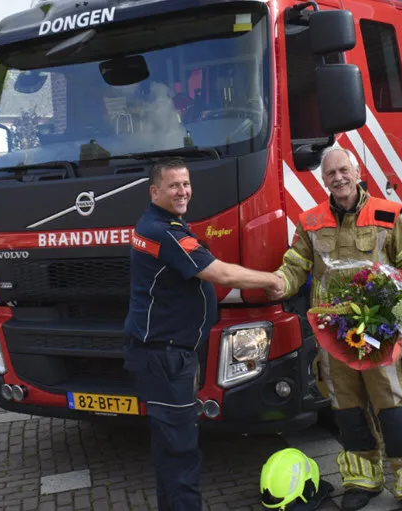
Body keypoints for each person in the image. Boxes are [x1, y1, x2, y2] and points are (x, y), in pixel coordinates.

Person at [267, 147, 402, 511]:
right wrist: (280, 281)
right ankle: (362, 479)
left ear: (357, 171)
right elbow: (296, 264)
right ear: (323, 179)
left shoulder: (388, 213)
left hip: (378, 331)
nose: (338, 178)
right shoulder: (310, 221)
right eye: (331, 174)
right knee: (346, 408)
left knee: (391, 406)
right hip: (333, 332)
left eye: (344, 170)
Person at [123, 156, 284, 511]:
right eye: (173, 185)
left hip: (160, 354)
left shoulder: (160, 225)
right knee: (180, 451)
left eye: (186, 184)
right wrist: (272, 279)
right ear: (155, 191)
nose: (183, 191)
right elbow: (221, 274)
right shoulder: (164, 232)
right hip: (164, 358)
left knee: (170, 447)